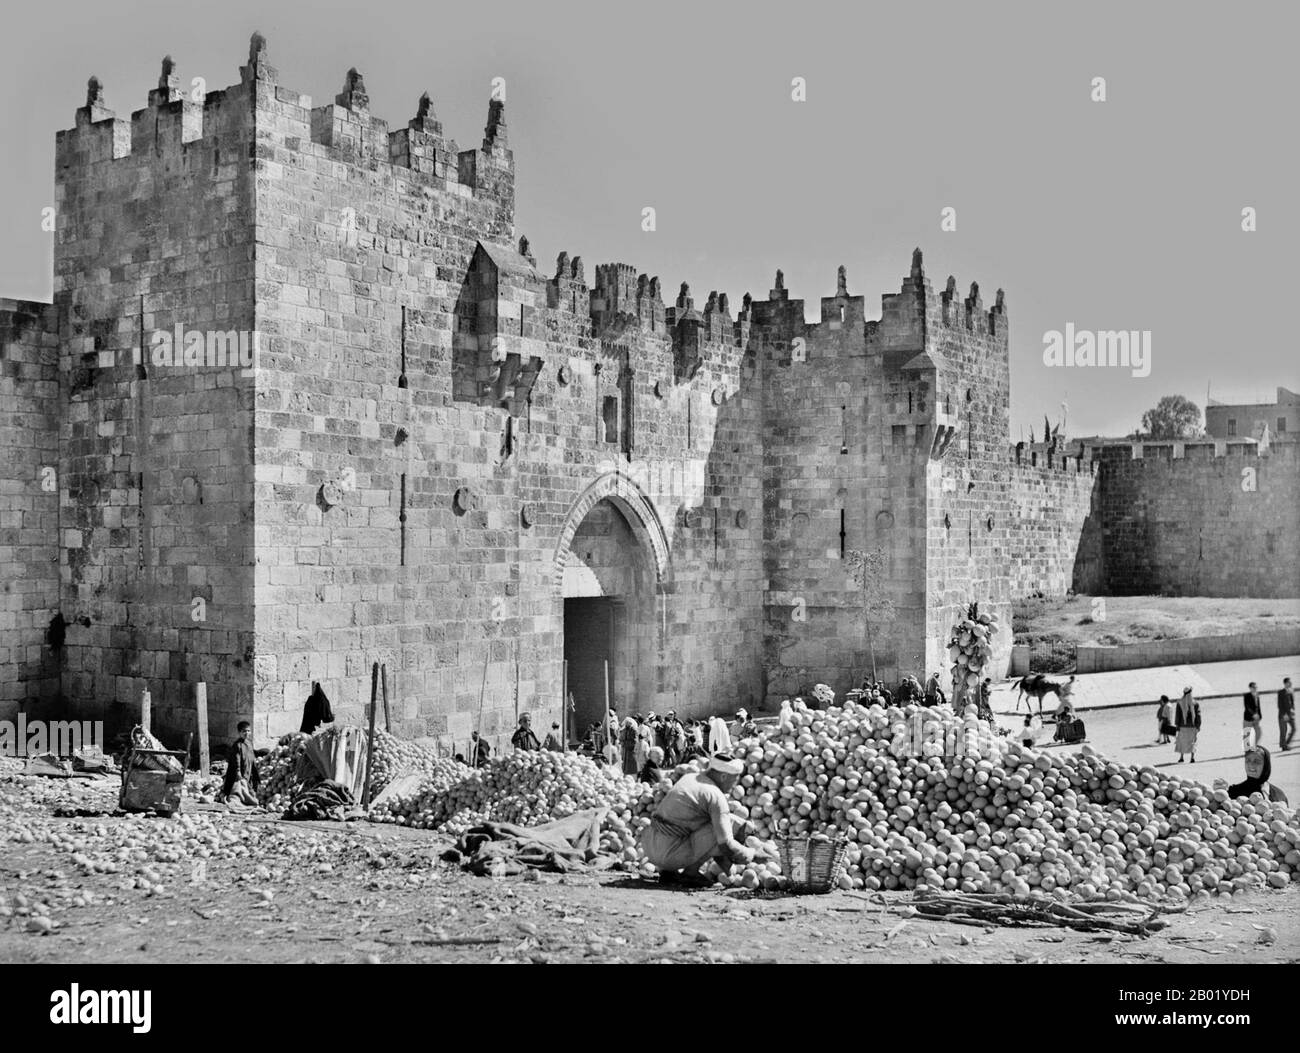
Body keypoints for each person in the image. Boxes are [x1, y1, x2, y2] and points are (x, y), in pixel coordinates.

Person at [639, 754, 756, 886]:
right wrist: (750, 854)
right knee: (726, 824)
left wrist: (728, 871)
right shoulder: (715, 795)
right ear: (724, 776)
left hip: (650, 847)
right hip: (668, 854)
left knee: (718, 823)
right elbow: (725, 844)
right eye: (734, 780)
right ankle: (690, 874)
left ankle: (669, 872)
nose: (734, 785)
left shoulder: (690, 777)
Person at [1215, 746, 1289, 805]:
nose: (1251, 765)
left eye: (1257, 761)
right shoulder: (1234, 792)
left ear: (1266, 765)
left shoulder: (1278, 795)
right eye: (1248, 760)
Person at [221, 721, 260, 806]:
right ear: (239, 733)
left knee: (247, 784)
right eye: (244, 731)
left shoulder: (249, 743)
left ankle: (246, 798)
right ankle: (236, 798)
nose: (247, 733)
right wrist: (238, 771)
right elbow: (236, 759)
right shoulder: (237, 745)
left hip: (248, 769)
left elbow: (252, 756)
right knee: (237, 786)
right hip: (239, 771)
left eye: (248, 731)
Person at [1174, 687, 1201, 763]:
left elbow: (1177, 716)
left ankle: (1181, 757)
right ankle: (1192, 758)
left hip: (1182, 726)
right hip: (1192, 726)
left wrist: (1177, 726)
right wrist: (1198, 726)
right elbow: (1198, 716)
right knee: (1192, 742)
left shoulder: (1179, 703)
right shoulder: (1195, 703)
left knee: (1182, 741)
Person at [1243, 682, 1263, 750]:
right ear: (1250, 688)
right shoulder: (1246, 696)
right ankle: (1247, 750)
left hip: (1256, 719)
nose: (1255, 689)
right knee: (1247, 735)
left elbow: (1258, 706)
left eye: (1256, 687)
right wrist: (1253, 714)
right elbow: (1247, 707)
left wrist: (1260, 715)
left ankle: (1254, 746)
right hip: (1248, 718)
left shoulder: (1257, 695)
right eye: (1254, 687)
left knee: (1259, 732)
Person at [1278, 677, 1295, 751]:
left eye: (1290, 682)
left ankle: (1285, 743)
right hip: (1283, 715)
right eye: (1289, 682)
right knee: (1283, 731)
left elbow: (1292, 702)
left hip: (1290, 714)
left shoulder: (1291, 691)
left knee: (1294, 729)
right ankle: (1284, 746)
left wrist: (1293, 710)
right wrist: (1284, 714)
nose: (1290, 683)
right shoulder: (1281, 692)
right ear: (1285, 683)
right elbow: (1279, 705)